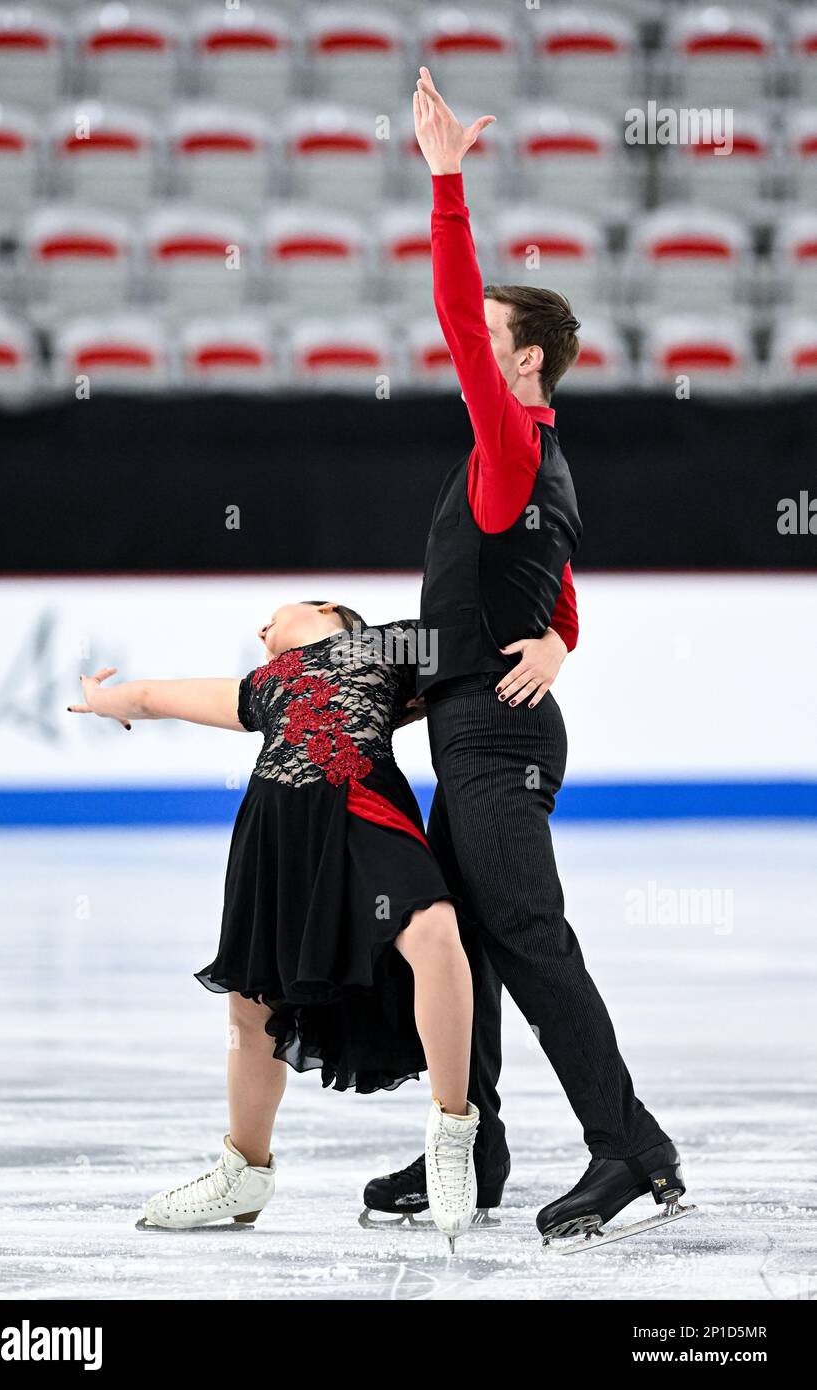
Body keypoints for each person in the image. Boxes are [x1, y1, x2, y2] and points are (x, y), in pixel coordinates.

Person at [363, 69, 688, 1247]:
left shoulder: (508, 447)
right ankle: (479, 1141)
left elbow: (456, 317)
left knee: (525, 937)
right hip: (485, 721)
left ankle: (628, 1146)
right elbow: (552, 595)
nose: (466, 349)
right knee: (454, 939)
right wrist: (561, 636)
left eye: (489, 343)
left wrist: (445, 186)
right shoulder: (540, 463)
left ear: (525, 365)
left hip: (493, 738)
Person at [68, 600, 482, 1245]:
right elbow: (152, 696)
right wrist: (105, 699)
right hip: (277, 830)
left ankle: (453, 1134)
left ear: (326, 609)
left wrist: (550, 644)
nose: (260, 630)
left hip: (365, 805)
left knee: (431, 929)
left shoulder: (391, 644)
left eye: (271, 616)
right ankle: (244, 1173)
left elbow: (486, 628)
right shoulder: (262, 685)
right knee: (251, 1001)